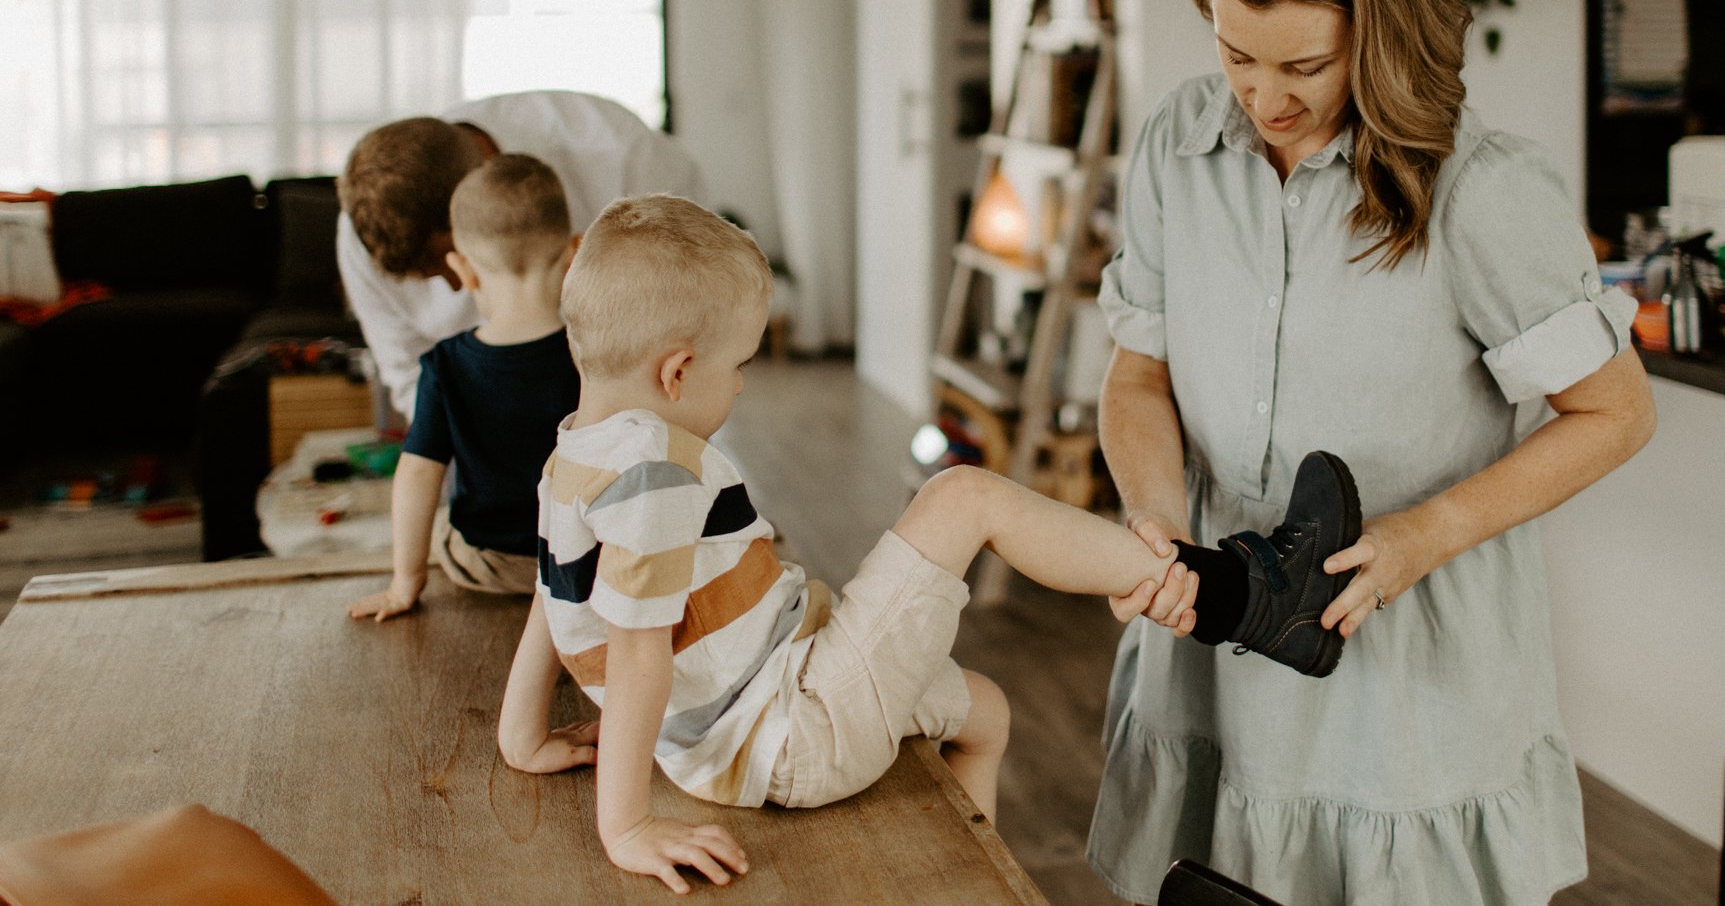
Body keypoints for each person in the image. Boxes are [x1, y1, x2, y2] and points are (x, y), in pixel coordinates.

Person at [495, 195, 1362, 894]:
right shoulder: (653, 471)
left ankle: (971, 887)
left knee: (985, 712)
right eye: (740, 366)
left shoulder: (575, 456)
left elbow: (552, 597)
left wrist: (522, 737)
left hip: (760, 716)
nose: (743, 385)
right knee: (963, 497)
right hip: (791, 724)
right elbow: (637, 650)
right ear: (678, 371)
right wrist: (627, 825)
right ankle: (1247, 594)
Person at [1086, 0, 1658, 906]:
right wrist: (1157, 525)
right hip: (1219, 630)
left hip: (1399, 656)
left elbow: (1615, 413)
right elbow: (1139, 375)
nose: (1264, 96)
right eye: (1236, 54)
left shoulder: (1479, 188)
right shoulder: (1178, 143)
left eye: (1304, 65)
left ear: (1380, 31)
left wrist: (1420, 536)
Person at [336, 90, 703, 422]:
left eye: (453, 258)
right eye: (428, 277)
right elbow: (409, 375)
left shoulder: (621, 155)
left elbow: (692, 320)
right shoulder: (363, 233)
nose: (458, 287)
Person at [347, 154, 582, 620]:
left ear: (463, 270)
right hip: (584, 564)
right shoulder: (596, 354)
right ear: (574, 253)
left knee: (442, 527)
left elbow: (418, 474)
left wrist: (405, 581)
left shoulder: (445, 366)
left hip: (492, 565)